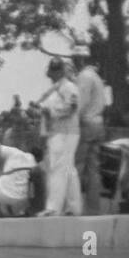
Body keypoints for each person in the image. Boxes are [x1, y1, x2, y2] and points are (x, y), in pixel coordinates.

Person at [38, 58, 82, 216]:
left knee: (57, 168)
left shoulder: (68, 87)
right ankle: (74, 207)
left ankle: (53, 208)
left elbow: (72, 107)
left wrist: (51, 112)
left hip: (65, 132)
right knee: (68, 169)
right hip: (59, 132)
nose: (51, 75)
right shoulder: (55, 89)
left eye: (54, 71)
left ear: (60, 71)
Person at [71, 45, 106, 215]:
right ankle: (93, 209)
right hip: (99, 123)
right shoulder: (96, 77)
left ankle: (74, 207)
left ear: (79, 59)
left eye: (75, 58)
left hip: (86, 124)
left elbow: (80, 103)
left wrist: (71, 122)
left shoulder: (84, 77)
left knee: (77, 166)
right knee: (94, 169)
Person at [0, 141, 39, 217]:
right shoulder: (33, 160)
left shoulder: (13, 151)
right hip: (23, 200)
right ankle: (15, 211)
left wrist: (0, 161)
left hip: (4, 195)